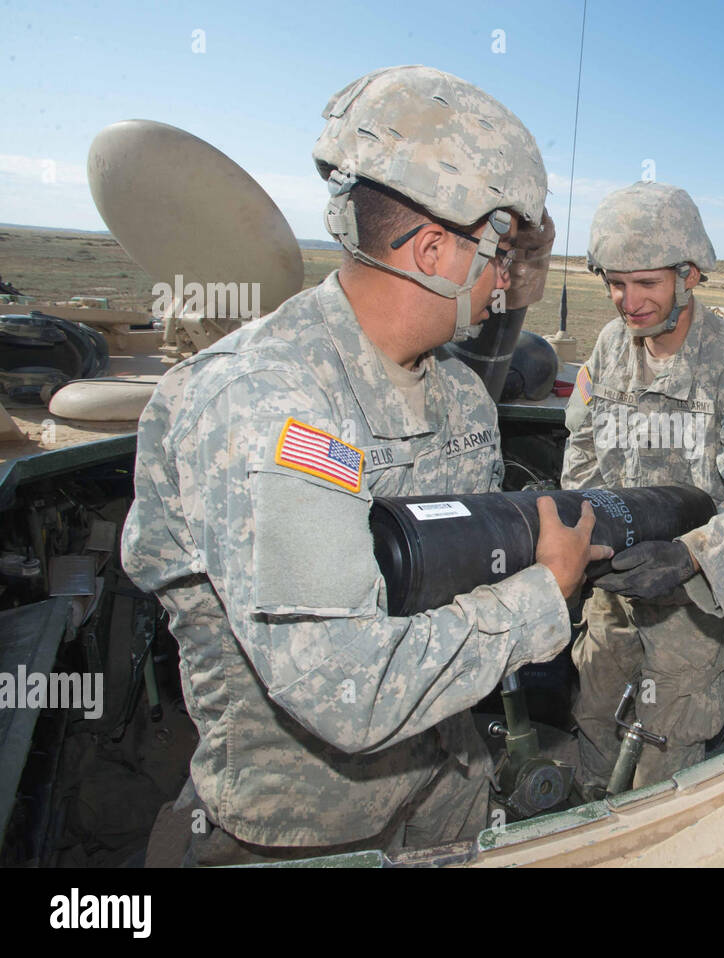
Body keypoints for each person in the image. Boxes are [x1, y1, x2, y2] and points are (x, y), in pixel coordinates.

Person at [122, 65, 609, 865]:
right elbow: (348, 692)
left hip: (447, 783)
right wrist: (542, 593)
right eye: (500, 256)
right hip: (311, 832)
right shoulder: (268, 404)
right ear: (431, 251)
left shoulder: (458, 393)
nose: (507, 284)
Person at [561, 181, 724, 793]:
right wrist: (585, 535)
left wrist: (688, 556)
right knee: (594, 713)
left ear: (688, 275)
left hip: (690, 603)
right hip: (612, 584)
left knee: (664, 743)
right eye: (616, 283)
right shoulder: (612, 347)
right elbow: (584, 444)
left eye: (646, 283)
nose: (628, 301)